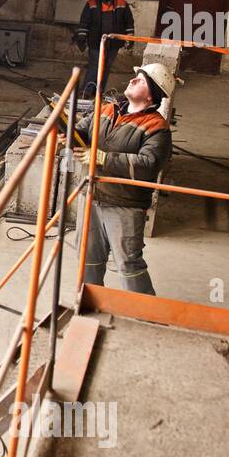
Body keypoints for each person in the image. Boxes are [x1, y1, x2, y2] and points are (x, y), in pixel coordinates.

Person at [74, 63, 180, 295]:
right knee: (87, 258)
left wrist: (104, 157)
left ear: (152, 94)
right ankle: (90, 302)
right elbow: (83, 129)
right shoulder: (108, 110)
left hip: (124, 205)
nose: (132, 80)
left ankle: (144, 314)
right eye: (135, 76)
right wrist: (68, 134)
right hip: (91, 194)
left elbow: (148, 165)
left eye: (141, 80)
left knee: (128, 264)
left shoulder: (156, 128)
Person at [75, 0, 135, 99]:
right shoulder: (91, 3)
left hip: (113, 43)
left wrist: (129, 38)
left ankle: (98, 91)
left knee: (106, 67)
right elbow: (84, 22)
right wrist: (81, 37)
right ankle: (86, 90)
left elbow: (128, 21)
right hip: (96, 42)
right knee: (95, 65)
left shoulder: (121, 3)